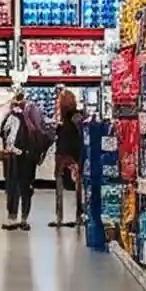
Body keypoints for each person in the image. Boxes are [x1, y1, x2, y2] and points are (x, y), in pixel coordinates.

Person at [0, 88, 51, 231]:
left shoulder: (15, 115)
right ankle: (22, 218)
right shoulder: (30, 114)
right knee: (23, 188)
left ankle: (15, 217)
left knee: (15, 187)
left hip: (18, 157)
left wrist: (4, 149)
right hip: (25, 156)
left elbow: (2, 134)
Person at [49, 88, 84, 229]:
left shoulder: (69, 118)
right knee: (76, 185)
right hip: (74, 153)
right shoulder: (76, 117)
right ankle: (76, 216)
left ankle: (61, 217)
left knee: (61, 184)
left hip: (65, 153)